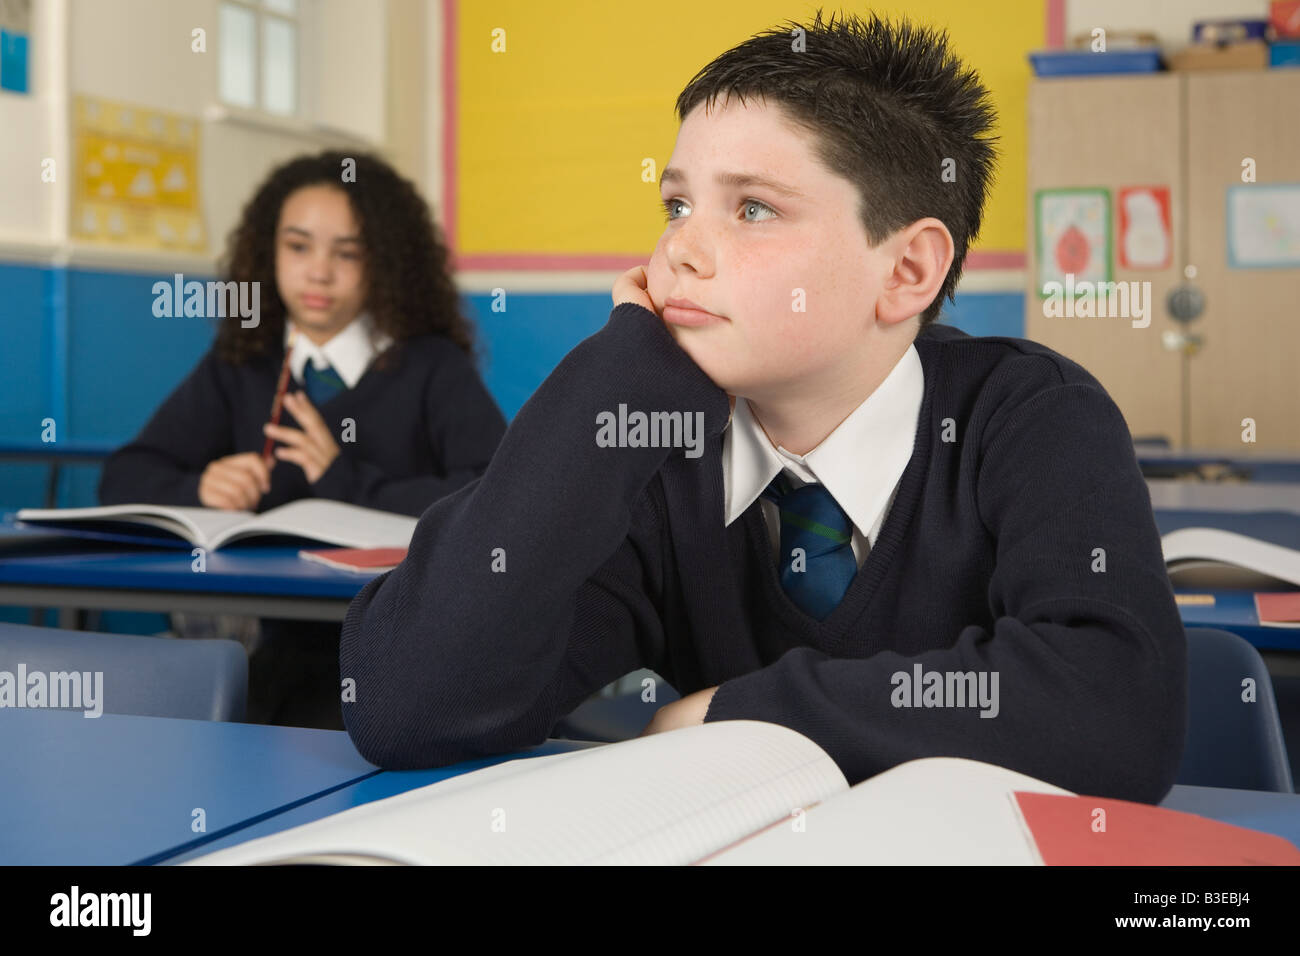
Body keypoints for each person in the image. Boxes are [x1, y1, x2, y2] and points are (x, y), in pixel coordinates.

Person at [338, 13, 1186, 803]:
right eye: (676, 205)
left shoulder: (1033, 416)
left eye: (752, 209)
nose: (679, 248)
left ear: (907, 272)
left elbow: (1113, 709)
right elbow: (406, 702)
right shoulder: (653, 449)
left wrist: (736, 715)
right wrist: (608, 383)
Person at [100, 150, 506, 728]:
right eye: (297, 247)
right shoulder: (242, 363)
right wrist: (201, 486)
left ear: (385, 263)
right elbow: (124, 476)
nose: (319, 272)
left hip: (406, 657)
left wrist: (345, 480)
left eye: (348, 253)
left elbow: (496, 495)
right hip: (276, 657)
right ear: (268, 253)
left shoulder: (431, 367)